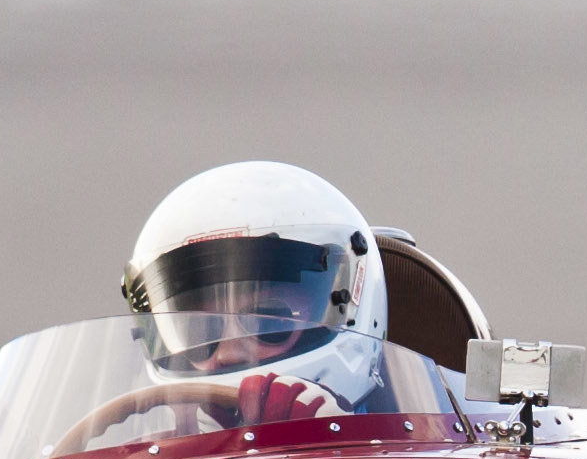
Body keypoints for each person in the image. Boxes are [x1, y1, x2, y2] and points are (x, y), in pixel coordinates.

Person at [118, 162, 390, 423]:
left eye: (268, 318)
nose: (230, 354)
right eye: (197, 331)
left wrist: (335, 443)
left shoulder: (404, 455)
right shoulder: (154, 458)